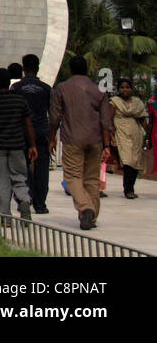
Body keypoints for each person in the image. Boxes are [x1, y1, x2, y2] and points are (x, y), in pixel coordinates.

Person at [49, 56, 114, 230]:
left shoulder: (62, 88)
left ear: (70, 69)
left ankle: (86, 209)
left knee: (72, 177)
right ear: (87, 69)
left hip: (72, 140)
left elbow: (54, 117)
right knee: (92, 180)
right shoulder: (98, 90)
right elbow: (106, 122)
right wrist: (107, 146)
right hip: (95, 140)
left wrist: (51, 138)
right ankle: (91, 218)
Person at [0, 68, 36, 221]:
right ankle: (24, 200)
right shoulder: (20, 101)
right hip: (17, 146)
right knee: (19, 178)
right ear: (9, 82)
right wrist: (33, 146)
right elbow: (29, 124)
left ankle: (5, 217)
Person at [14, 53, 53, 213]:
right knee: (42, 168)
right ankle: (41, 204)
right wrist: (52, 136)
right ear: (37, 69)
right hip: (41, 131)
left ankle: (25, 198)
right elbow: (53, 113)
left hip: (22, 132)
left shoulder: (16, 88)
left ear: (23, 68)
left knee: (21, 167)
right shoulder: (46, 88)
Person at [108, 78, 150, 200]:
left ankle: (131, 186)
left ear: (131, 89)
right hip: (121, 133)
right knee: (127, 161)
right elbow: (109, 120)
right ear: (118, 89)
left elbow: (142, 120)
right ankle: (128, 189)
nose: (125, 90)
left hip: (136, 133)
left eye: (127, 87)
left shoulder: (137, 102)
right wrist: (111, 135)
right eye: (122, 87)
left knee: (136, 161)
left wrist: (149, 134)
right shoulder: (114, 102)